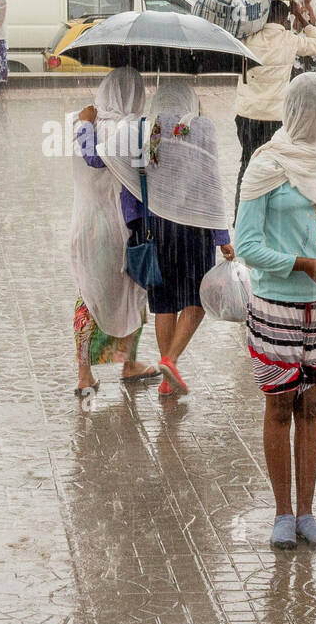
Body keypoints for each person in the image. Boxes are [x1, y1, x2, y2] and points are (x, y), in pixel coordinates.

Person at [234, 73, 316, 551]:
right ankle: (282, 514)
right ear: (309, 112)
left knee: (311, 406)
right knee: (279, 405)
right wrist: (302, 264)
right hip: (275, 308)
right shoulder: (266, 166)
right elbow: (247, 245)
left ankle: (307, 513)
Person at [78, 78, 233, 396]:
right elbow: (211, 182)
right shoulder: (201, 128)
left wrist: (84, 126)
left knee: (164, 303)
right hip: (194, 228)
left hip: (153, 228)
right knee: (197, 299)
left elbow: (94, 158)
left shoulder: (139, 129)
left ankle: (166, 377)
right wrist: (221, 234)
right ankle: (170, 362)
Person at [71, 67, 156, 398]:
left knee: (88, 299)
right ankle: (128, 364)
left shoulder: (84, 124)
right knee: (131, 295)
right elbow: (99, 160)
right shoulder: (130, 130)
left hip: (84, 226)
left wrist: (84, 125)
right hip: (118, 228)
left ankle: (84, 374)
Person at [233, 0, 316, 225]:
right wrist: (301, 17)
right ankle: (269, 217)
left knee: (247, 162)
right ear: (285, 19)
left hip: (246, 114)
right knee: (275, 167)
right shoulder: (289, 40)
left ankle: (242, 215)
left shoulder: (248, 38)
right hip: (275, 117)